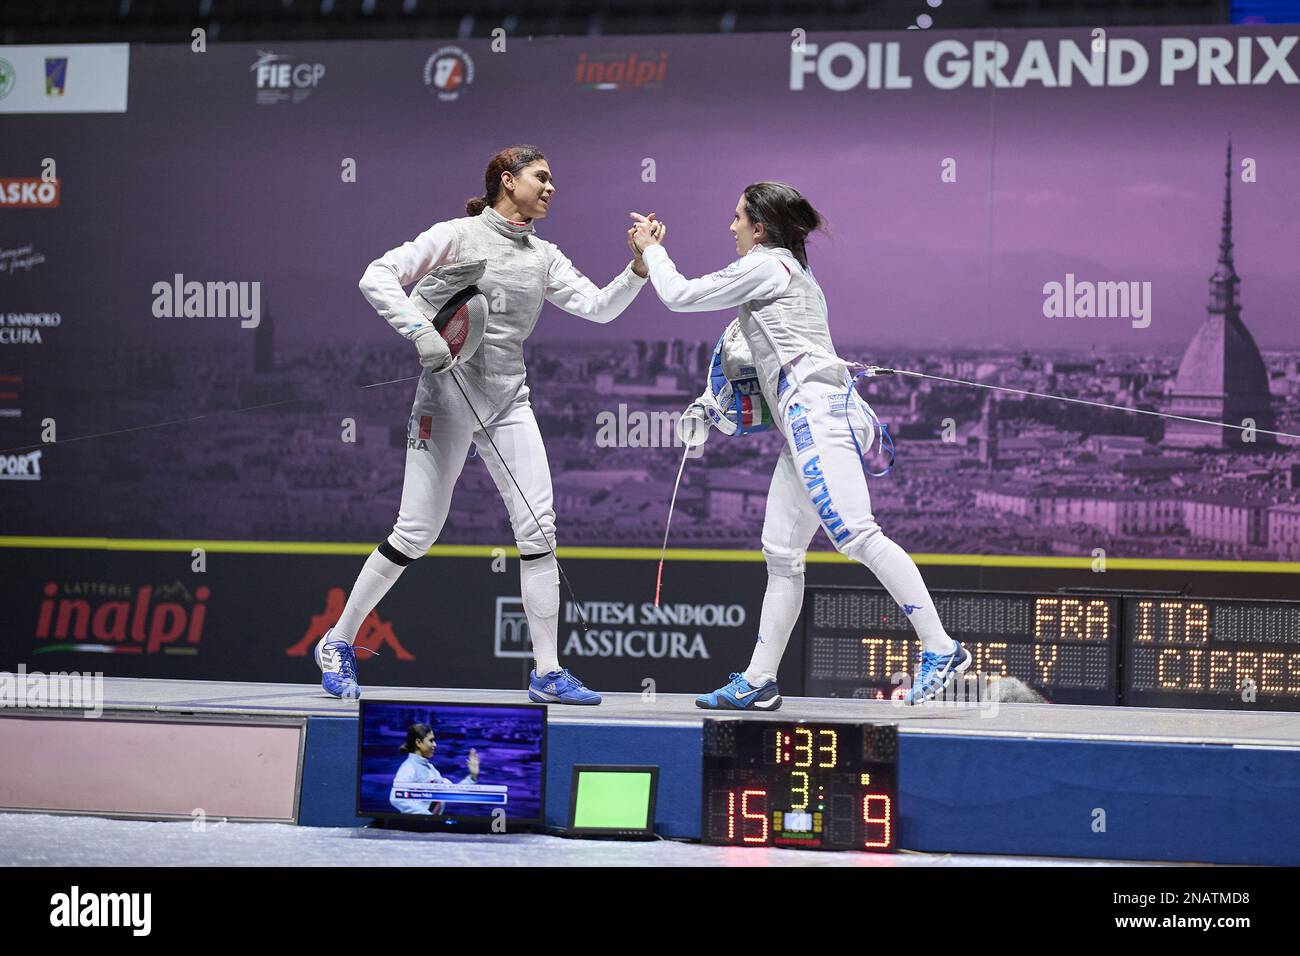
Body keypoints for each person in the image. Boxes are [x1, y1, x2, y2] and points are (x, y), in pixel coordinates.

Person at [315, 144, 663, 704]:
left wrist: (639, 266)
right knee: (416, 531)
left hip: (508, 400)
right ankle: (337, 642)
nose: (551, 188)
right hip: (445, 397)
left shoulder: (544, 256)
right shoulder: (455, 235)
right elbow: (376, 276)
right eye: (541, 177)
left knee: (539, 530)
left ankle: (547, 673)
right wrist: (420, 332)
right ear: (508, 179)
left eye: (552, 180)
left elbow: (599, 307)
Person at [628, 182, 969, 709]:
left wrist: (651, 247)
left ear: (760, 226)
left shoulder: (767, 265)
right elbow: (751, 364)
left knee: (857, 535)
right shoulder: (788, 273)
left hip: (818, 415)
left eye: (738, 216)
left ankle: (941, 648)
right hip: (806, 420)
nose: (732, 226)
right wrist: (711, 406)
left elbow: (679, 295)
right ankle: (761, 680)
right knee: (782, 554)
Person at [390, 723, 479, 815]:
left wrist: (472, 776)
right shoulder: (408, 768)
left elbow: (453, 792)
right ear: (418, 743)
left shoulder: (431, 770)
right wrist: (427, 816)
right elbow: (396, 798)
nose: (435, 745)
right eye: (431, 741)